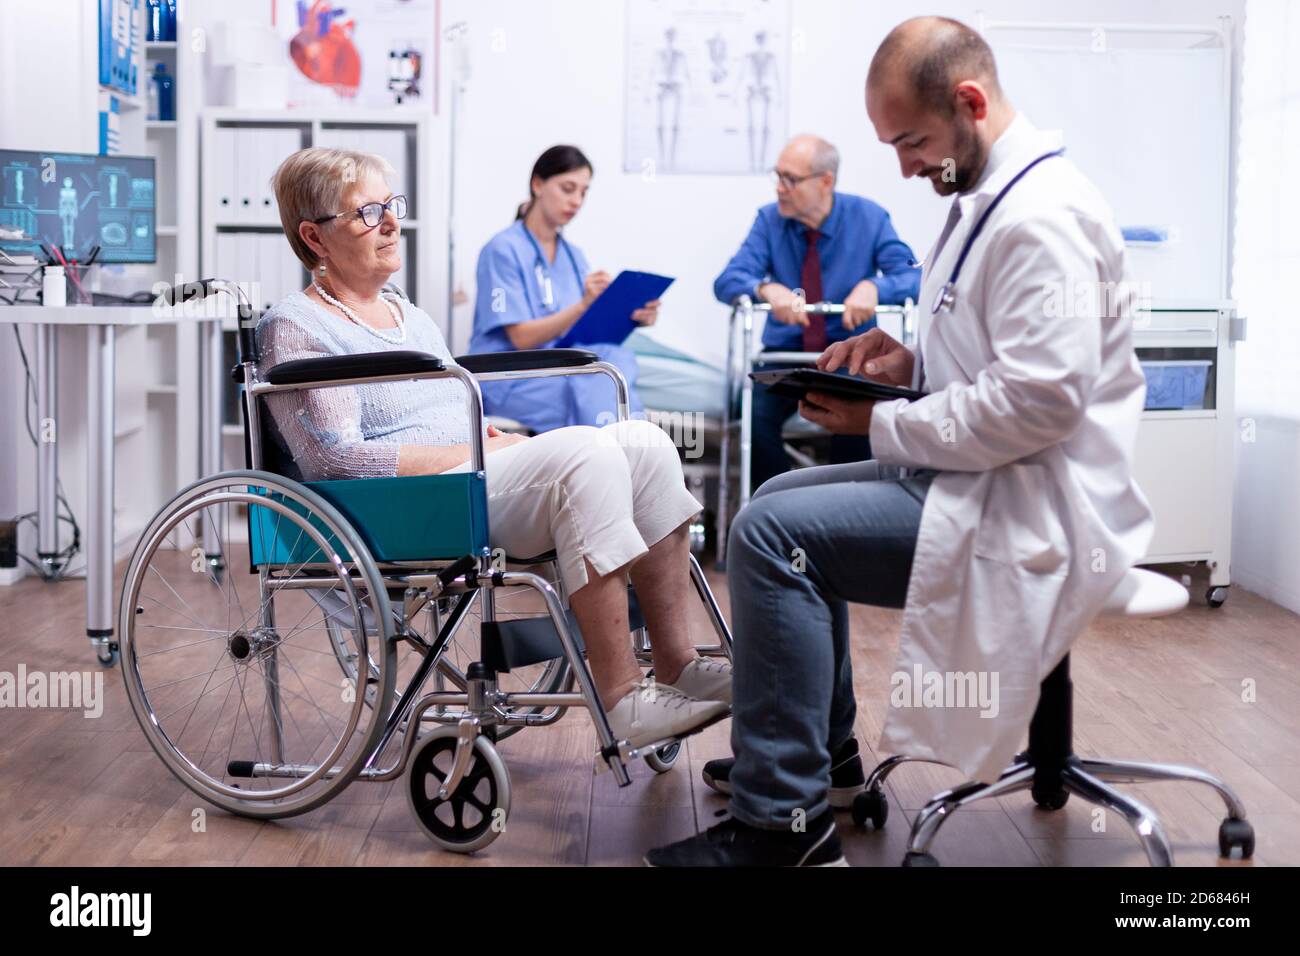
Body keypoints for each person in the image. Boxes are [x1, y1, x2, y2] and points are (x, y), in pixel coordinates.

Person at [649, 16, 1153, 866]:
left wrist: (877, 420)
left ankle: (783, 829)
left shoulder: (1041, 218)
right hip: (982, 475)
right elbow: (997, 358)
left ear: (970, 101)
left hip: (1031, 506)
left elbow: (1040, 403)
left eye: (912, 141)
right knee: (772, 502)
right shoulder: (986, 202)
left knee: (773, 538)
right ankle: (824, 765)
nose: (905, 166)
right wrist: (907, 364)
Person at [258, 147, 733, 750]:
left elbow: (454, 407)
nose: (389, 223)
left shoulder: (407, 315)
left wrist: (490, 438)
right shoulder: (295, 327)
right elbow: (338, 460)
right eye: (367, 211)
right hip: (409, 507)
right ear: (313, 237)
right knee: (588, 456)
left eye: (391, 206)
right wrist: (471, 453)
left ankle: (677, 662)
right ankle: (622, 700)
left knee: (647, 443)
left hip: (469, 475)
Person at [714, 134, 922, 489]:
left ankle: (842, 515)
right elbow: (727, 281)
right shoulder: (769, 221)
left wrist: (876, 287)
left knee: (861, 418)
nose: (779, 188)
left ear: (825, 182)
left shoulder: (869, 218)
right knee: (753, 415)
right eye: (777, 176)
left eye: (790, 179)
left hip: (849, 359)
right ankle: (780, 507)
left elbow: (914, 277)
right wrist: (765, 289)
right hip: (784, 360)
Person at [470, 145, 659, 432]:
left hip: (560, 370)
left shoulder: (574, 255)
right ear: (537, 185)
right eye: (568, 188)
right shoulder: (502, 250)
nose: (576, 200)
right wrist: (582, 305)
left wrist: (631, 315)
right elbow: (520, 339)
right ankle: (627, 454)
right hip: (509, 379)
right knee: (600, 390)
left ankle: (621, 454)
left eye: (583, 192)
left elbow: (582, 330)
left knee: (614, 360)